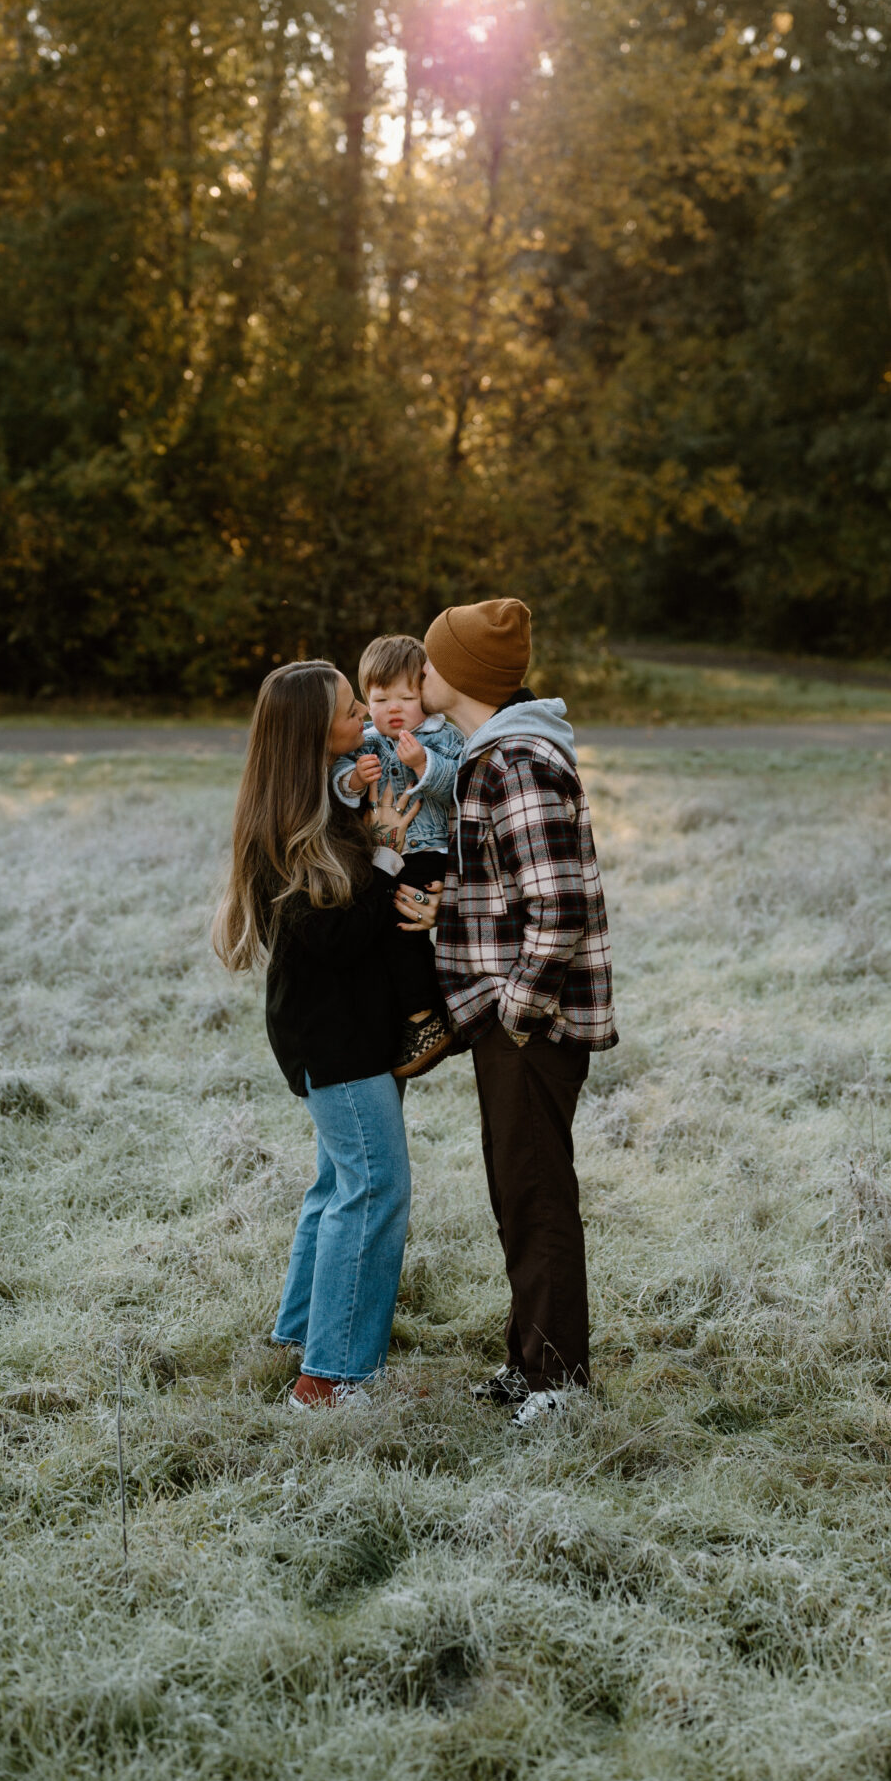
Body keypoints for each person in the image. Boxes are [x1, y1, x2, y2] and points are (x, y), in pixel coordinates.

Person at [211, 661, 441, 1409]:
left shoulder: (322, 796)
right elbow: (337, 939)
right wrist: (382, 853)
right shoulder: (293, 824)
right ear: (315, 731)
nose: (365, 722)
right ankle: (331, 1377)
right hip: (332, 1037)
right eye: (350, 711)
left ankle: (301, 1331)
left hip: (341, 1028)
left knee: (338, 1182)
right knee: (374, 1188)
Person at [420, 598, 618, 1427]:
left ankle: (558, 1385)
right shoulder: (487, 754)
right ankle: (528, 1359)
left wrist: (514, 1011)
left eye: (431, 660)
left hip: (527, 1026)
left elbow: (558, 907)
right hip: (508, 1021)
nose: (420, 673)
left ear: (461, 675)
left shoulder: (516, 764)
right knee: (516, 1189)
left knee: (535, 1196)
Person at [332, 633, 463, 1079]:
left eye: (406, 697)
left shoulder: (441, 736)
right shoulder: (365, 740)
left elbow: (458, 784)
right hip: (383, 853)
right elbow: (337, 775)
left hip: (427, 852)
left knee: (404, 929)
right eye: (380, 697)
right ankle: (424, 1013)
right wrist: (351, 781)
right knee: (388, 932)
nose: (393, 708)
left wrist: (425, 762)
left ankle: (425, 1015)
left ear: (424, 695)